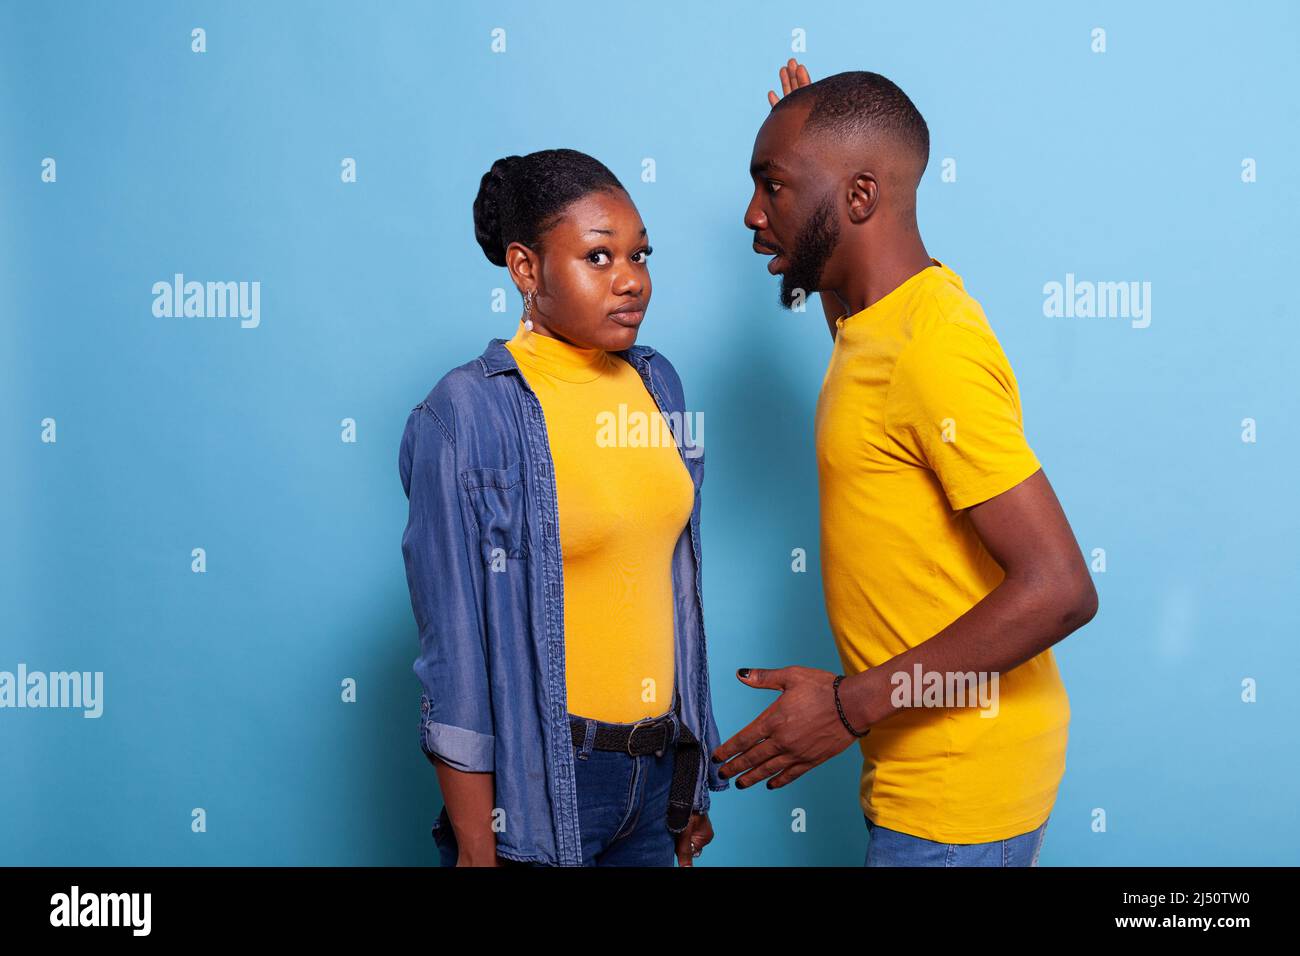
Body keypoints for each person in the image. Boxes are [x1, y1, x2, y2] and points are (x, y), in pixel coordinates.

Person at [713, 62, 1099, 866]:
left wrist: (847, 707)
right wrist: (811, 140)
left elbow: (1061, 587)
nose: (752, 214)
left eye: (773, 186)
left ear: (859, 198)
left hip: (958, 787)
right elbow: (872, 390)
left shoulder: (934, 349)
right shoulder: (879, 329)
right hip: (933, 766)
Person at [398, 148, 726, 866]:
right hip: (547, 784)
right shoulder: (465, 414)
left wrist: (686, 785)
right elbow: (453, 654)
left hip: (658, 774)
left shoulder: (658, 385)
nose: (632, 280)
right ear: (526, 269)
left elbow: (666, 589)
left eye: (640, 255)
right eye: (599, 258)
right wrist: (478, 850)